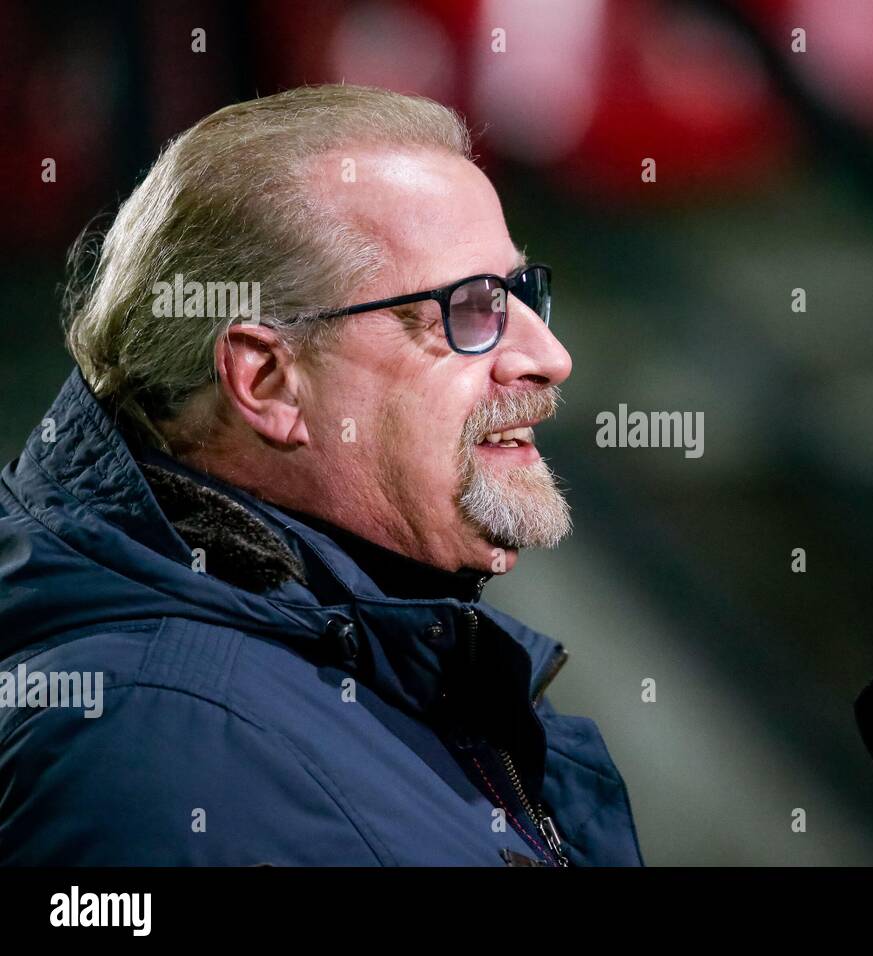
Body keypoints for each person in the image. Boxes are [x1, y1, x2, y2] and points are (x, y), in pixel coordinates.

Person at [0, 84, 643, 866]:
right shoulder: (156, 752)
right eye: (472, 309)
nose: (549, 356)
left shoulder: (373, 665)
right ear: (267, 381)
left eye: (521, 292)